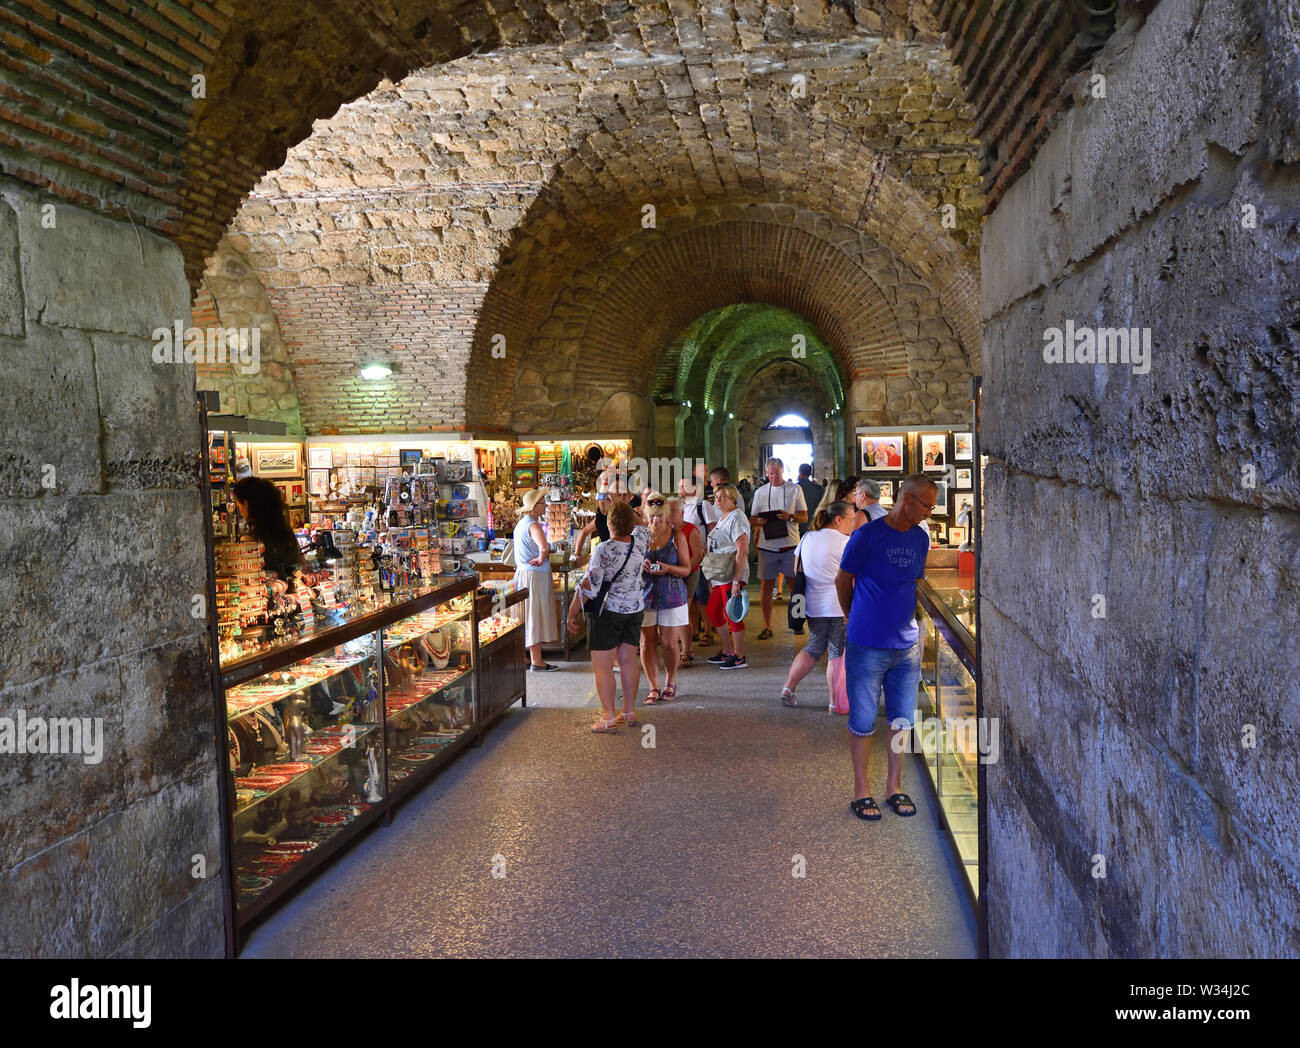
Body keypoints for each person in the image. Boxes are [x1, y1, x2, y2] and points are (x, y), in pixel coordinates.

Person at [835, 473, 936, 822]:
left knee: (901, 719)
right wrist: (853, 616)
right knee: (863, 721)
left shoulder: (920, 538)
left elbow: (913, 583)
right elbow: (843, 579)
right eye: (926, 505)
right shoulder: (866, 536)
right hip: (867, 645)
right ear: (907, 499)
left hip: (905, 646)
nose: (929, 512)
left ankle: (894, 785)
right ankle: (861, 790)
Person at [567, 501, 647, 732]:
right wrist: (631, 512)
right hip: (634, 609)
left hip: (608, 612)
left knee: (603, 667)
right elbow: (642, 524)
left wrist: (572, 612)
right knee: (628, 661)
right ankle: (629, 710)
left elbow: (589, 585)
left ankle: (609, 716)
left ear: (609, 523)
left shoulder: (604, 549)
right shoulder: (641, 539)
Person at [780, 500, 855, 707]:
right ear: (838, 519)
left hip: (813, 605)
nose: (853, 523)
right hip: (839, 606)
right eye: (851, 519)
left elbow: (797, 569)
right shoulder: (845, 542)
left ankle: (788, 687)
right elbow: (852, 577)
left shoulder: (807, 537)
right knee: (836, 652)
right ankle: (834, 702)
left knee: (815, 645)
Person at [639, 493, 692, 702]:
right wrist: (641, 565)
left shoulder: (677, 536)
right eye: (652, 516)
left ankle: (670, 681)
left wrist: (667, 568)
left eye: (659, 516)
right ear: (646, 516)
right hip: (646, 595)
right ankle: (653, 686)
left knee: (669, 642)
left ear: (667, 515)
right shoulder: (641, 536)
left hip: (672, 595)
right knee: (646, 642)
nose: (655, 521)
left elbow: (686, 569)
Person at [748, 457, 808, 640]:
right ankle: (767, 626)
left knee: (795, 586)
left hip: (790, 545)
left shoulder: (794, 489)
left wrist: (790, 517)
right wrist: (759, 521)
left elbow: (804, 516)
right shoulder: (760, 492)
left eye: (777, 473)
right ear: (767, 473)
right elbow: (752, 518)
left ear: (782, 472)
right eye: (770, 474)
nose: (773, 477)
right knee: (766, 587)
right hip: (767, 546)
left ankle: (798, 622)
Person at [703, 483, 750, 669]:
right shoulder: (723, 517)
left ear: (733, 499)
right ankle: (727, 650)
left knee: (733, 615)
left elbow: (742, 550)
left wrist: (737, 580)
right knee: (713, 611)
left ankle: (739, 656)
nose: (718, 500)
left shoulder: (737, 517)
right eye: (716, 497)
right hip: (719, 574)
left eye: (722, 496)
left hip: (731, 573)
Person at [512, 488, 559, 670]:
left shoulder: (521, 524)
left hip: (523, 574)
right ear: (533, 506)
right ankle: (536, 660)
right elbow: (544, 547)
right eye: (542, 502)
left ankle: (523, 657)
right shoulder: (533, 525)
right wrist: (541, 557)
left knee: (526, 614)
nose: (545, 505)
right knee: (535, 615)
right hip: (535, 576)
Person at [233, 476, 305, 586]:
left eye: (239, 506)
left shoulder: (250, 540)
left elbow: (247, 579)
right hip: (293, 588)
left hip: (266, 592)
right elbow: (300, 562)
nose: (241, 512)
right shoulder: (286, 532)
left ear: (246, 504)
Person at [671, 491, 708, 666]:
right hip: (672, 574)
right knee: (676, 612)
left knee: (681, 611)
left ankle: (686, 651)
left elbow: (697, 555)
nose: (669, 514)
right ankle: (685, 649)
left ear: (682, 512)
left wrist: (683, 571)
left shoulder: (690, 530)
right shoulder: (665, 529)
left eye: (673, 510)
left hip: (690, 573)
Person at [796, 463, 824, 538]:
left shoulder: (794, 488)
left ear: (799, 472)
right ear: (810, 473)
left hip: (798, 527)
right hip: (814, 526)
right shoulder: (819, 489)